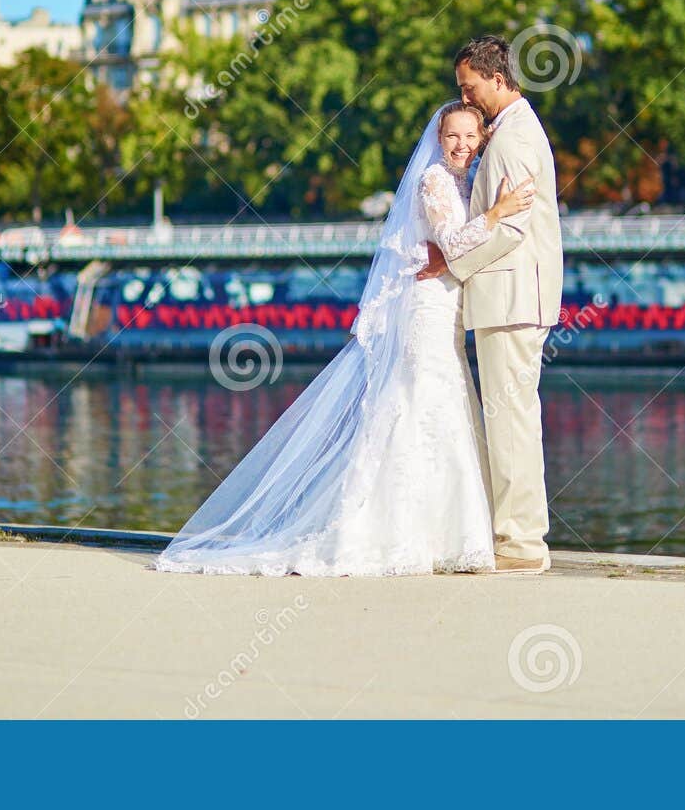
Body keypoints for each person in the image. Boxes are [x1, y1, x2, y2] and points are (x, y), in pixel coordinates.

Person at [154, 100, 536, 576]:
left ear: (481, 140)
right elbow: (453, 242)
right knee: (418, 403)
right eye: (452, 136)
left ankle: (442, 536)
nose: (461, 145)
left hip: (448, 308)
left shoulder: (464, 181)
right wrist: (499, 212)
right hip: (425, 309)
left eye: (470, 137)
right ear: (438, 140)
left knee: (444, 405)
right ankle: (391, 532)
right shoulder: (434, 180)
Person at [417, 35, 565, 575]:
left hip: (509, 296)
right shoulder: (511, 133)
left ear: (497, 80)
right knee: (513, 418)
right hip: (511, 294)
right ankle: (515, 536)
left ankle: (521, 544)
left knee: (511, 422)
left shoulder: (512, 140)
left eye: (469, 87)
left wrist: (450, 263)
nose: (466, 98)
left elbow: (508, 229)